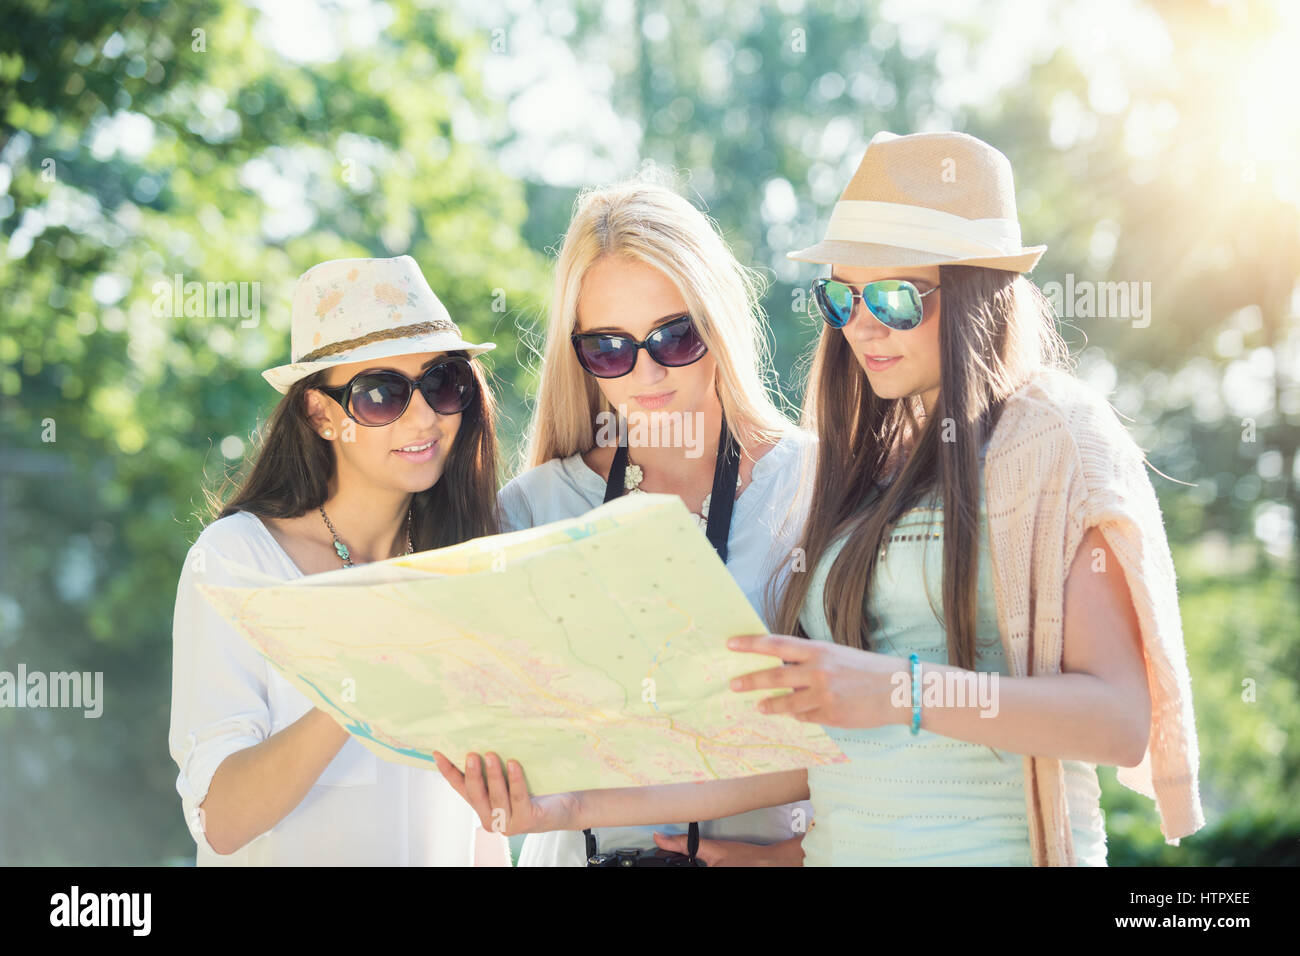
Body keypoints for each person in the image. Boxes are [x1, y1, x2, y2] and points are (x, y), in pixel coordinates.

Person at [437, 131, 1206, 866]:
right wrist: (571, 812)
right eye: (843, 301)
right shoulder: (863, 471)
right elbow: (828, 754)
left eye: (898, 299)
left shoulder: (1052, 434)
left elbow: (1119, 722)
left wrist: (900, 689)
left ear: (980, 293)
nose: (864, 328)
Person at [496, 177, 817, 866]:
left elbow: (881, 740)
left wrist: (783, 859)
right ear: (578, 353)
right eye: (610, 348)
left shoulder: (818, 486)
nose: (646, 373)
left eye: (675, 337)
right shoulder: (530, 510)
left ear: (718, 321)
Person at [169, 254, 510, 865]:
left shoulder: (474, 559)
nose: (425, 416)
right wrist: (358, 682)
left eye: (442, 382)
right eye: (381, 394)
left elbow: (485, 830)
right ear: (320, 414)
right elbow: (220, 819)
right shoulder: (235, 561)